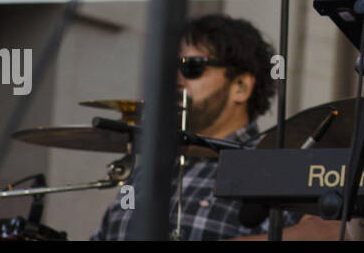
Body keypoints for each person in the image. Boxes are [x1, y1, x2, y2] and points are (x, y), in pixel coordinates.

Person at [90, 13, 339, 240]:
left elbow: (329, 233)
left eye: (192, 67)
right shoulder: (147, 169)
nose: (176, 80)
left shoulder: (270, 162)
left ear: (240, 86)